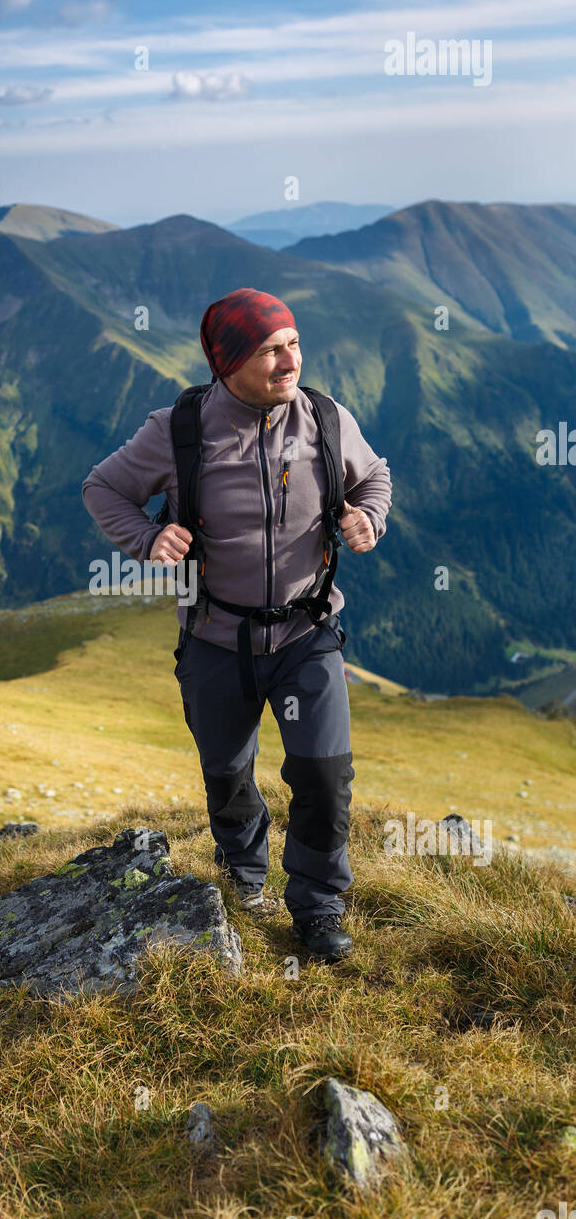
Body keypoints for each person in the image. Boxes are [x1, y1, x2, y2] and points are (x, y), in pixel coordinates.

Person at [82, 288, 392, 961]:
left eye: (293, 344)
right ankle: (244, 878)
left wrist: (368, 517)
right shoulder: (179, 430)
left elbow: (373, 479)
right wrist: (147, 537)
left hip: (308, 634)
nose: (289, 362)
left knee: (323, 774)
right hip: (216, 639)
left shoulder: (326, 419)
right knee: (226, 772)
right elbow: (102, 488)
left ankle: (316, 909)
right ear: (227, 364)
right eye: (269, 350)